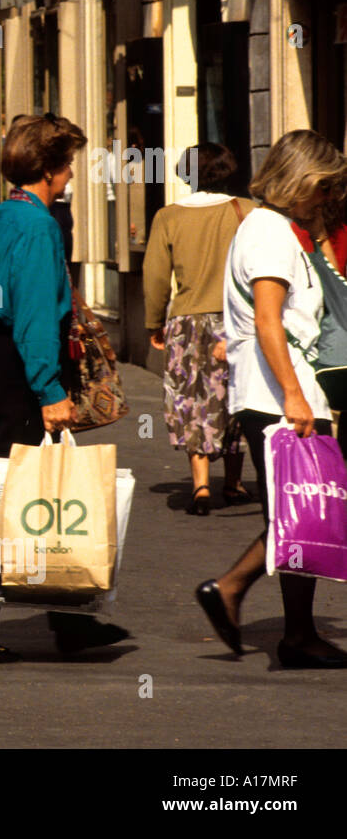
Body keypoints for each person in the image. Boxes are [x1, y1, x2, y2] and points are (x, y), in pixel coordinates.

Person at [0, 113, 129, 662]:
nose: (71, 173)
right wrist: (50, 390)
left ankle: (70, 616)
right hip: (17, 366)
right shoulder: (40, 225)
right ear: (49, 168)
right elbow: (33, 317)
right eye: (67, 163)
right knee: (9, 498)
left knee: (33, 489)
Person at [197, 129, 347, 669]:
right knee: (298, 510)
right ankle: (231, 590)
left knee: (302, 508)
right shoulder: (269, 232)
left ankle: (298, 633)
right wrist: (293, 395)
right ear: (301, 180)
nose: (327, 198)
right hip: (279, 393)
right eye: (323, 188)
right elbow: (268, 320)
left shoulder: (280, 228)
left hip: (282, 390)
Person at [144, 143, 253, 516]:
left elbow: (156, 276)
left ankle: (201, 484)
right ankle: (235, 482)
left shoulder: (168, 217)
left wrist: (153, 323)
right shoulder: (248, 212)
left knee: (192, 401)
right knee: (235, 398)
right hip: (237, 321)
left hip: (187, 322)